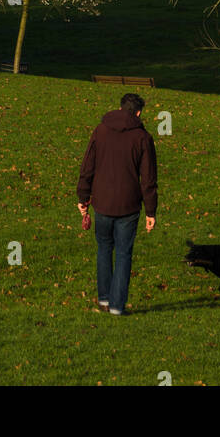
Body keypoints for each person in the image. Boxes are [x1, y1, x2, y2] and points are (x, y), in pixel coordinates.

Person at [76, 92, 157, 315]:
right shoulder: (143, 138)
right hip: (129, 205)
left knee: (104, 249)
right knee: (123, 254)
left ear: (120, 108)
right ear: (138, 113)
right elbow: (148, 179)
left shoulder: (100, 130)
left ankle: (103, 299)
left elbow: (87, 166)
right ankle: (117, 306)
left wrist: (83, 197)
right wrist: (151, 211)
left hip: (102, 202)